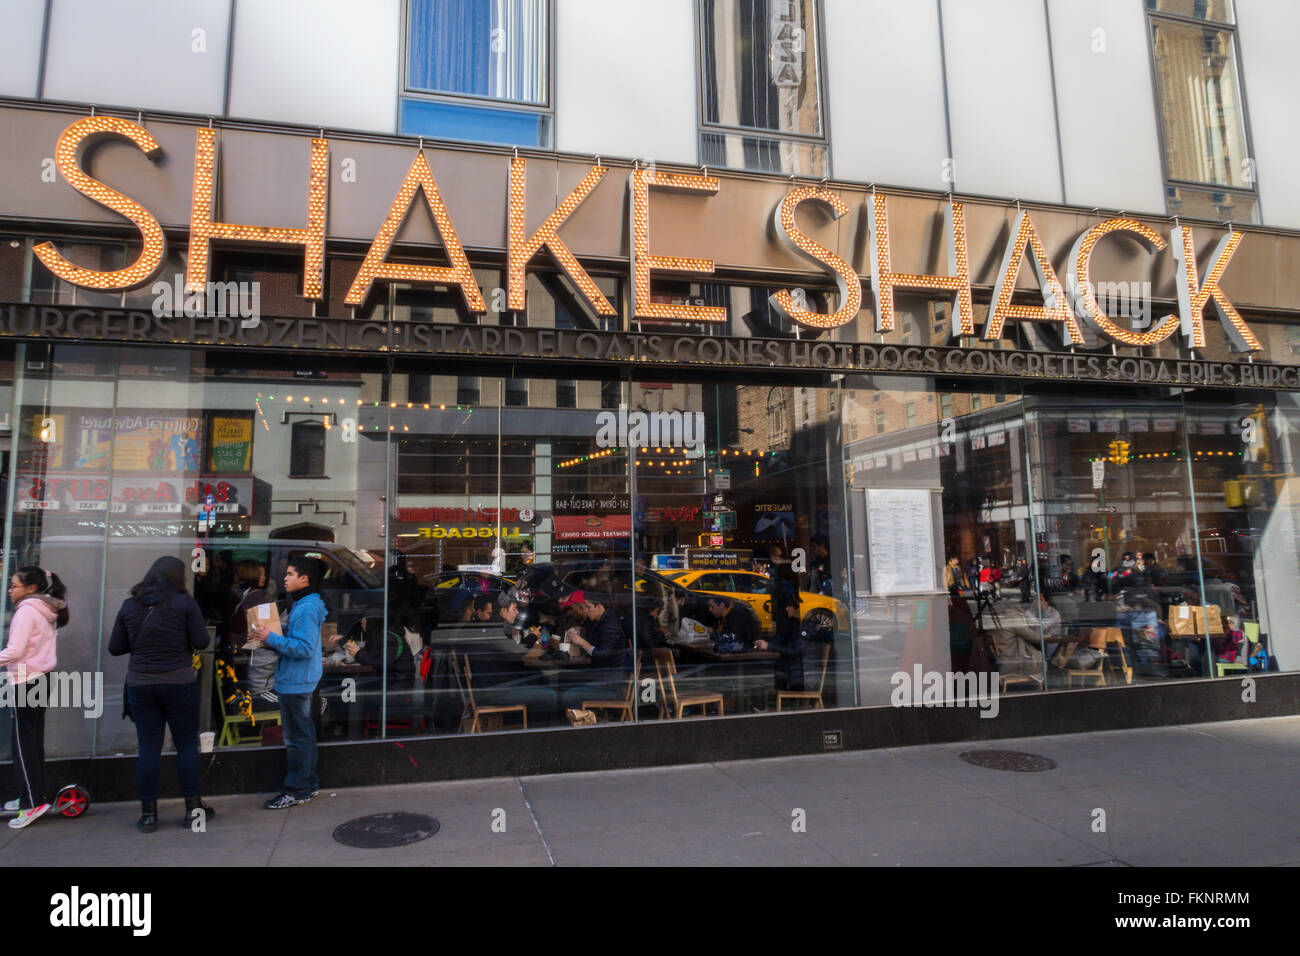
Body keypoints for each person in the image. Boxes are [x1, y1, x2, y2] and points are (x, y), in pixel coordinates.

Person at [108, 556, 214, 831]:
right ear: (178, 577)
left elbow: (115, 647)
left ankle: (148, 815)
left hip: (141, 684)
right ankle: (193, 810)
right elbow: (202, 641)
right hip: (178, 681)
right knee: (187, 745)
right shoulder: (184, 602)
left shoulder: (130, 605)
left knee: (149, 749)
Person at [247, 557, 327, 810]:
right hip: (302, 680)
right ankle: (309, 785)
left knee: (296, 740)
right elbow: (301, 638)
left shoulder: (305, 607)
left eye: (291, 574)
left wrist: (270, 637)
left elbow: (303, 648)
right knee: (305, 736)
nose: (285, 578)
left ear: (305, 579)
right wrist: (278, 629)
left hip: (296, 681)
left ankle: (296, 790)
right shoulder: (307, 604)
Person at [1, 567, 67, 829]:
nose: (10, 589)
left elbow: (15, 651)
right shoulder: (45, 609)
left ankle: (32, 801)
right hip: (41, 678)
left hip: (26, 680)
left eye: (15, 585)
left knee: (22, 743)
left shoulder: (28, 610)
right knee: (31, 740)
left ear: (30, 588)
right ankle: (32, 794)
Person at [228, 559, 278, 706]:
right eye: (260, 574)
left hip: (244, 652)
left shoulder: (245, 595)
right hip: (259, 662)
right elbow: (267, 631)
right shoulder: (257, 598)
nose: (264, 577)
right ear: (252, 575)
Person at [755, 597, 808, 693]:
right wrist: (766, 640)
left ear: (798, 608)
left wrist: (769, 646)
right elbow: (782, 644)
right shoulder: (792, 624)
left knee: (761, 676)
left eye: (790, 606)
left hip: (795, 678)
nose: (787, 608)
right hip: (788, 671)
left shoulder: (803, 628)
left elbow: (795, 652)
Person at [767, 544, 800, 636]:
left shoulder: (783, 568)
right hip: (779, 602)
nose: (781, 559)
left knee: (785, 624)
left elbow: (790, 587)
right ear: (772, 556)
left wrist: (791, 603)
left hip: (784, 602)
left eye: (781, 556)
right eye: (779, 556)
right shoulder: (776, 569)